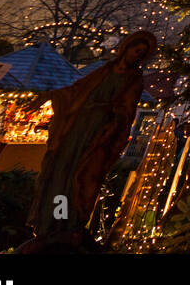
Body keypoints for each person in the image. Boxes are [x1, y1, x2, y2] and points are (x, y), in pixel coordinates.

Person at [19, 31, 156, 252]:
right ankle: (53, 224)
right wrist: (50, 96)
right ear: (127, 47)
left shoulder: (134, 80)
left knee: (82, 177)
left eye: (141, 53)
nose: (136, 55)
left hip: (98, 134)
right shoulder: (104, 69)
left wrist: (111, 119)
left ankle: (70, 223)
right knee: (60, 171)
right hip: (77, 129)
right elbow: (76, 91)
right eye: (135, 50)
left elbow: (126, 110)